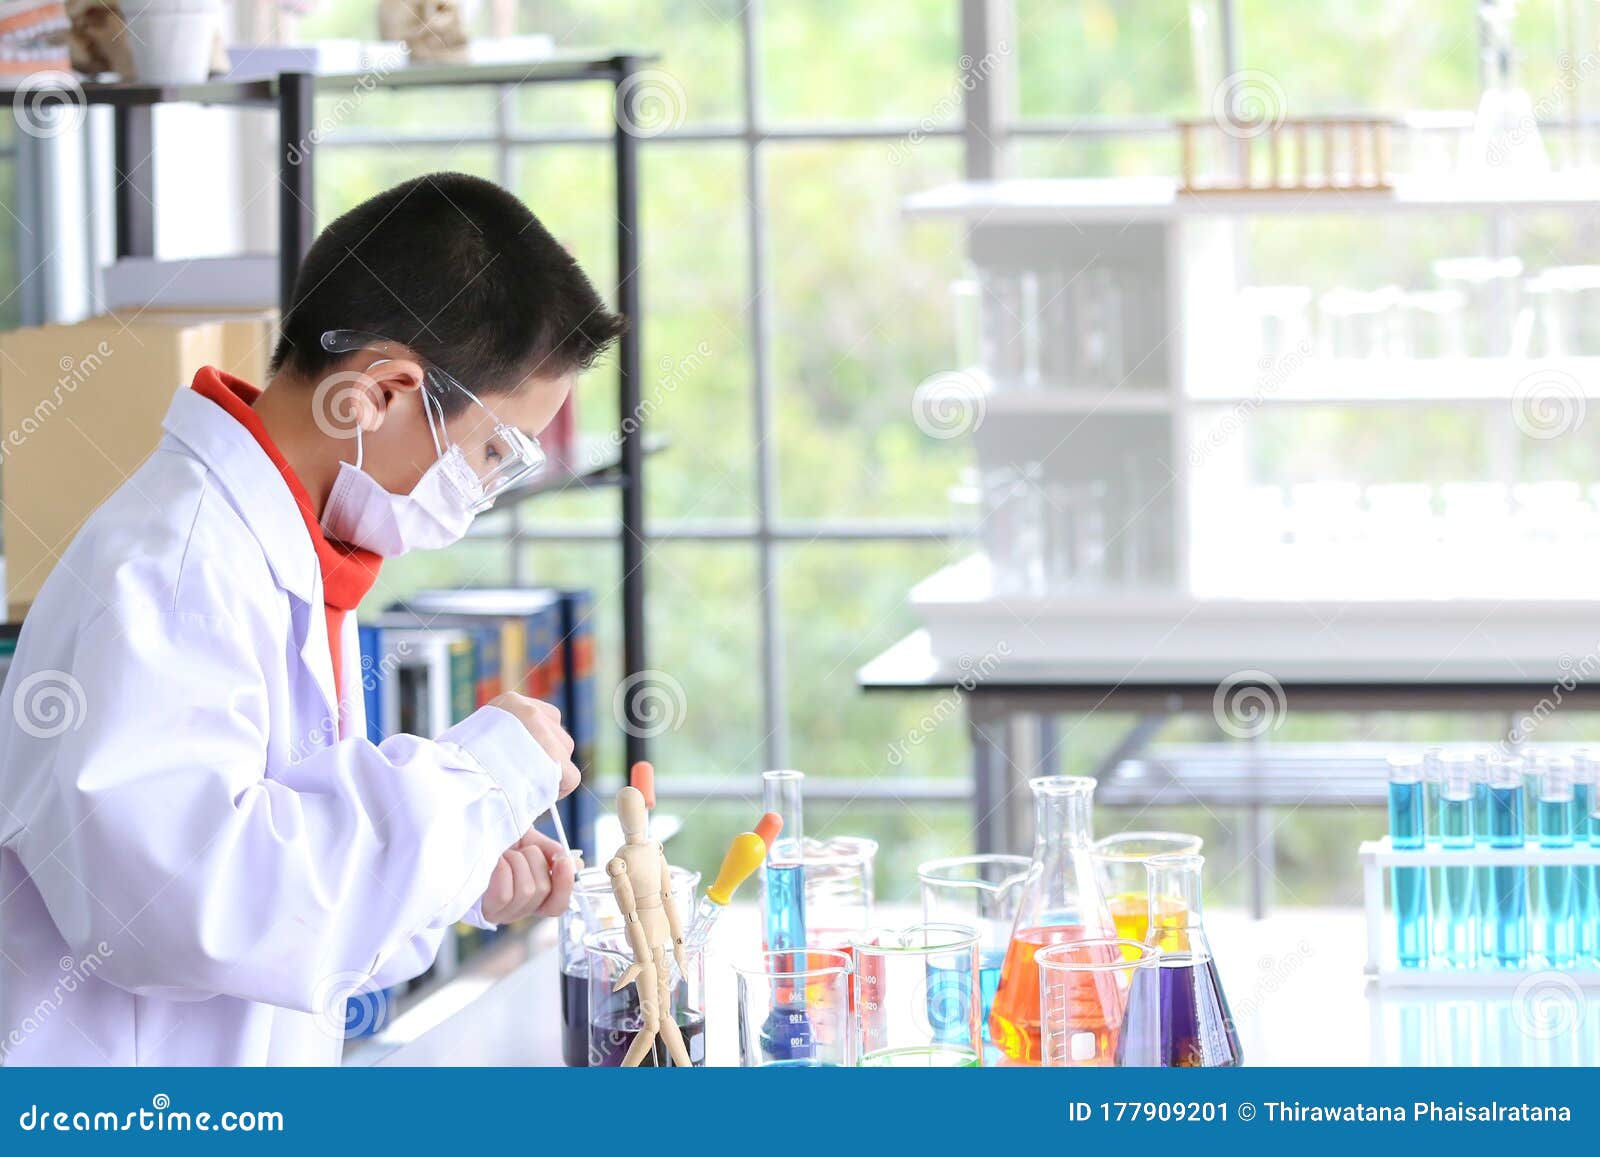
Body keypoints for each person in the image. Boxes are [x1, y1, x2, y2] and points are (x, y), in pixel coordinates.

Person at [0, 172, 625, 1065]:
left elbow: (286, 905)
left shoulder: (285, 553)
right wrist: (476, 780)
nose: (485, 491)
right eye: (497, 451)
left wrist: (450, 868)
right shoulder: (175, 566)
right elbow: (187, 909)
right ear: (380, 394)